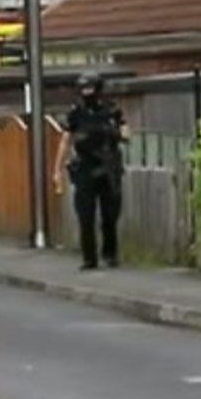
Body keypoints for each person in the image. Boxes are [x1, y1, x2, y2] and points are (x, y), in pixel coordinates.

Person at [53, 72, 129, 271]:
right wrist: (57, 170)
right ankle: (89, 258)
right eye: (83, 89)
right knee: (85, 215)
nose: (87, 93)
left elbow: (126, 131)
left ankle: (110, 254)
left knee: (110, 214)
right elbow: (65, 141)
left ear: (98, 89)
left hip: (108, 166)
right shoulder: (76, 113)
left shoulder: (112, 110)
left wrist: (119, 134)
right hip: (85, 168)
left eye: (91, 88)